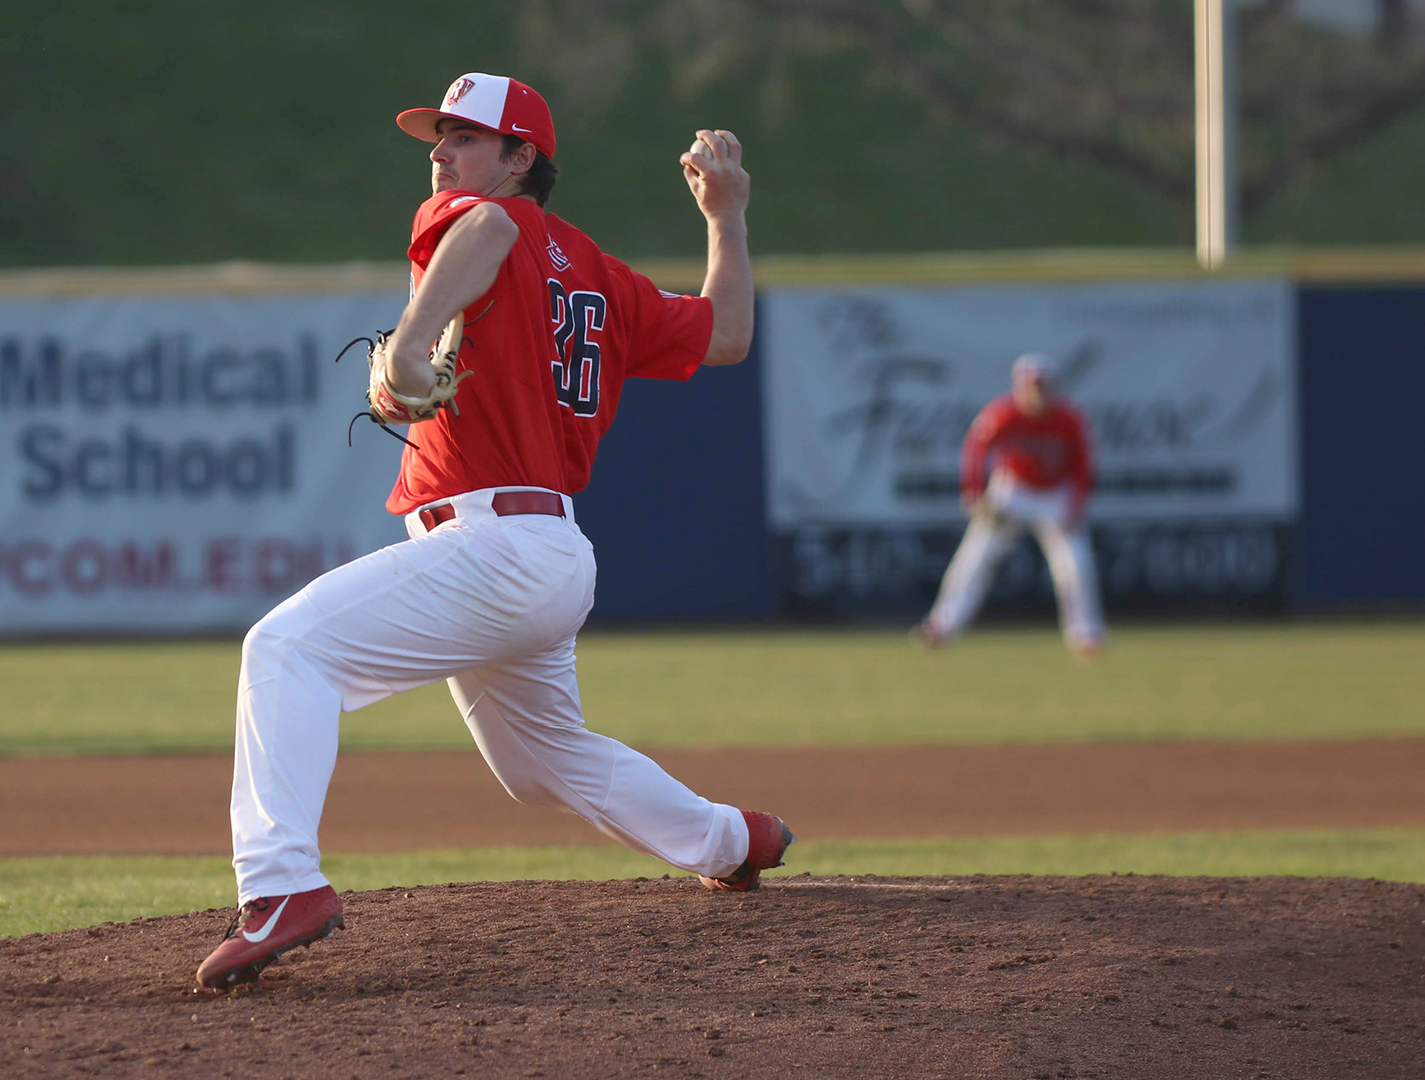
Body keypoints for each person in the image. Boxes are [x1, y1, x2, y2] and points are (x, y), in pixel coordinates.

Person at [196, 73, 790, 990]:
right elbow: (727, 336)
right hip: (545, 554)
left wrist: (406, 338)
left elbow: (492, 229)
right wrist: (728, 218)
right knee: (540, 760)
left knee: (286, 648)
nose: (441, 152)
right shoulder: (593, 268)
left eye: (466, 137)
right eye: (439, 136)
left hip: (495, 547)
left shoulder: (478, 219)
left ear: (521, 159)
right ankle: (730, 837)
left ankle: (281, 888)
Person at [915, 353, 1105, 657]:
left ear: (1052, 387)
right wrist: (974, 491)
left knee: (1075, 565)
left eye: (1041, 386)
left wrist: (1076, 503)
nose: (1036, 392)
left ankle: (1086, 635)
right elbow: (976, 448)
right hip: (1013, 490)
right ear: (1019, 386)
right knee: (974, 558)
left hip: (1054, 494)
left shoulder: (1069, 417)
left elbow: (1084, 464)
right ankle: (941, 625)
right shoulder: (1005, 413)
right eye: (1030, 385)